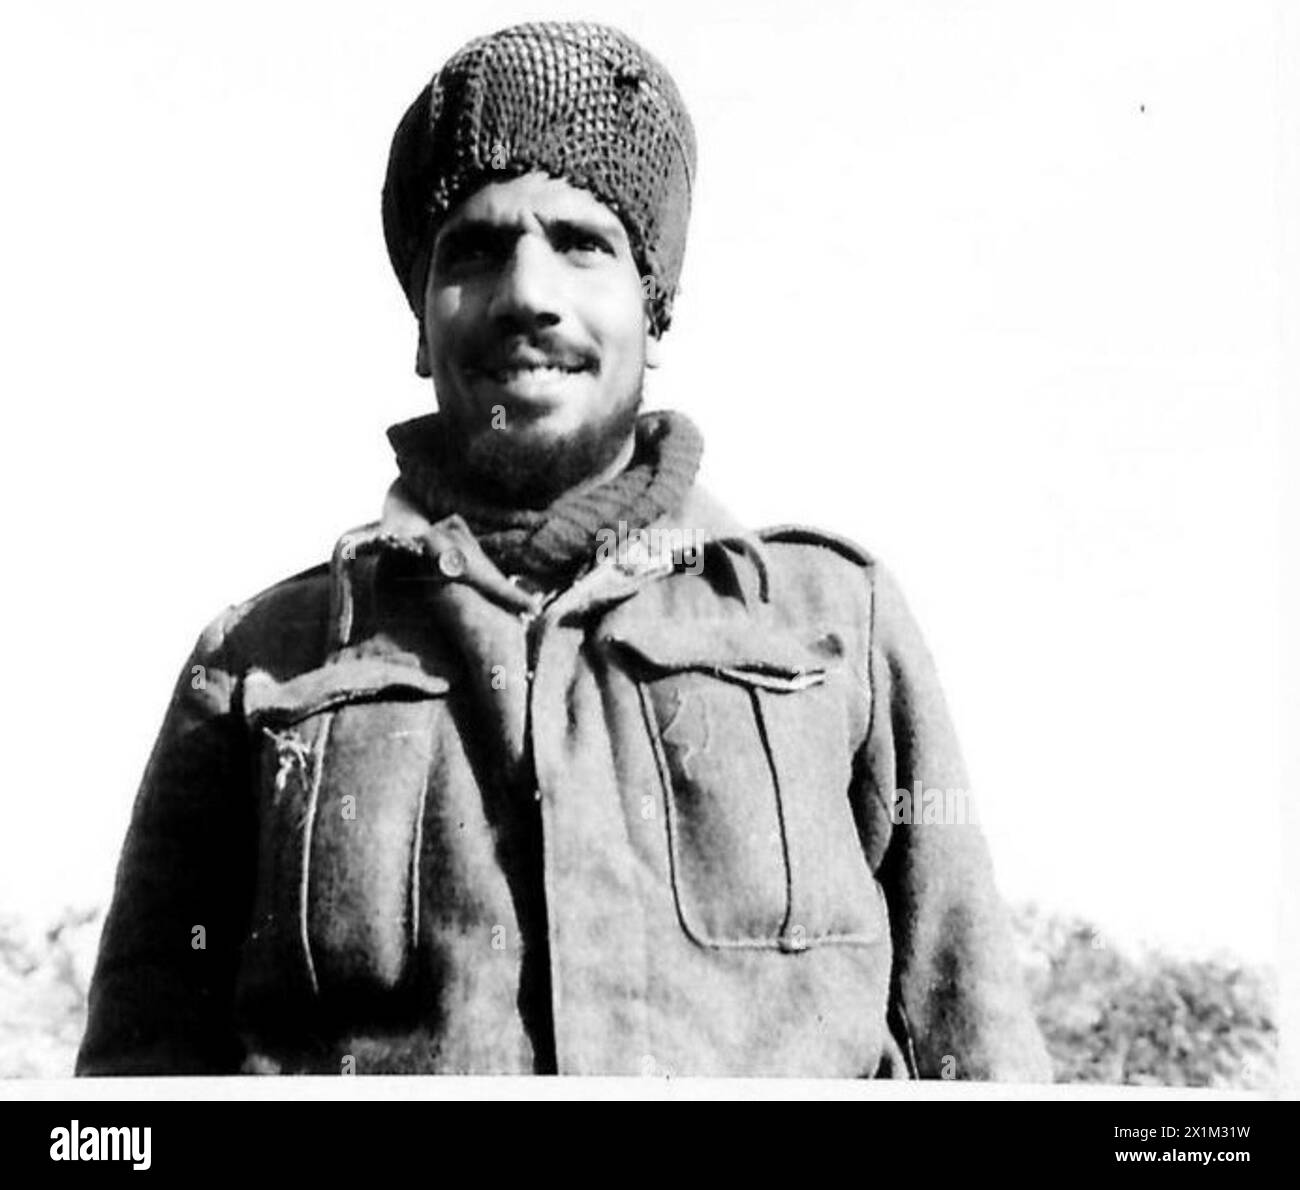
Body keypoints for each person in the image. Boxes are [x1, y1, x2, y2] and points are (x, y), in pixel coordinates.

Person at [78, 20, 1051, 1080]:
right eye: (476, 248)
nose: (528, 293)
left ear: (653, 307)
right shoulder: (261, 663)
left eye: (583, 243)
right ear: (420, 324)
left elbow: (980, 1058)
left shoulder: (833, 625)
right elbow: (131, 1103)